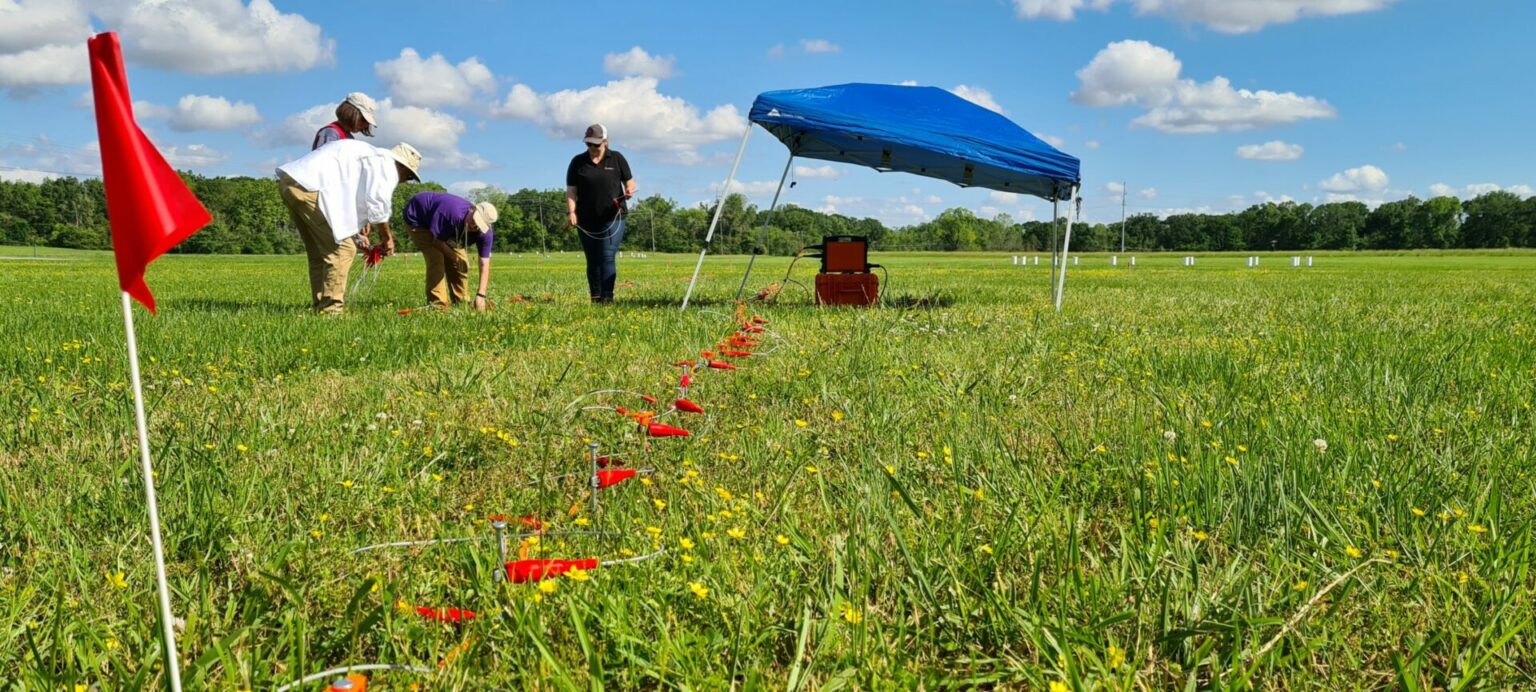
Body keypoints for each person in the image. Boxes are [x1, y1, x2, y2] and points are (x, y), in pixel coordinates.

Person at [275, 139, 422, 314]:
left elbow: (348, 198)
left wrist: (359, 225)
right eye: (409, 176)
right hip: (310, 188)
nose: (406, 180)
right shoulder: (386, 166)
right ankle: (332, 310)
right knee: (343, 249)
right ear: (402, 166)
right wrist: (387, 237)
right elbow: (378, 204)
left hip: (291, 182)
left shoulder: (369, 156)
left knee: (318, 253)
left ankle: (320, 305)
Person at [566, 123, 635, 302]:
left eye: (596, 144)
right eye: (589, 144)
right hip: (586, 218)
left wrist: (629, 191)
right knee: (593, 258)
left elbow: (630, 181)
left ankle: (607, 297)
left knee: (606, 254)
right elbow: (572, 191)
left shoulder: (617, 158)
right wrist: (571, 212)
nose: (592, 148)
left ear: (605, 141)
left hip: (614, 216)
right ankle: (596, 296)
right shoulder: (577, 162)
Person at [404, 191, 499, 311]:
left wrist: (481, 294)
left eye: (478, 225)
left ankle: (461, 301)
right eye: (474, 220)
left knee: (462, 262)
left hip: (446, 229)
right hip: (419, 218)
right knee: (436, 257)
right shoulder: (450, 213)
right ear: (472, 209)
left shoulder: (485, 234)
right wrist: (454, 257)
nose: (473, 226)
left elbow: (484, 263)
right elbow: (436, 241)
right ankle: (438, 305)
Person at [312, 92, 378, 150]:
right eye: (363, 120)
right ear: (350, 114)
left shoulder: (349, 137)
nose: (366, 125)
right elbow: (324, 159)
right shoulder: (331, 133)